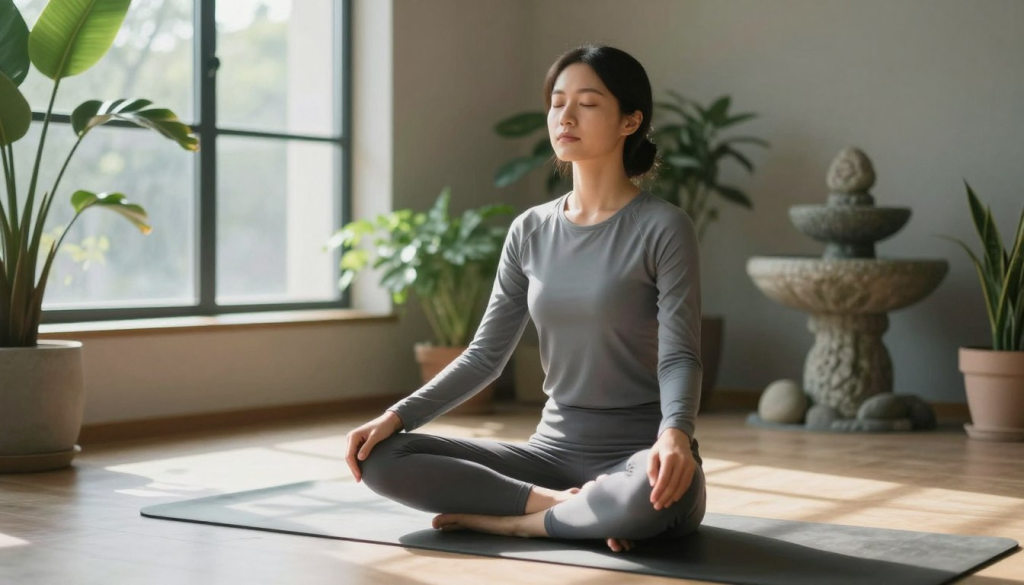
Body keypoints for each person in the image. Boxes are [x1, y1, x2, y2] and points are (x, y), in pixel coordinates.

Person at [344, 44, 705, 554]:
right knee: (379, 457)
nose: (566, 116)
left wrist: (675, 435)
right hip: (547, 456)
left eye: (588, 102)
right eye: (558, 102)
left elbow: (680, 355)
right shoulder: (530, 229)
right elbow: (486, 356)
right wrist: (396, 416)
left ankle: (514, 523)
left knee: (651, 496)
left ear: (630, 121)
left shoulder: (664, 227)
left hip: (640, 456)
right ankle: (556, 506)